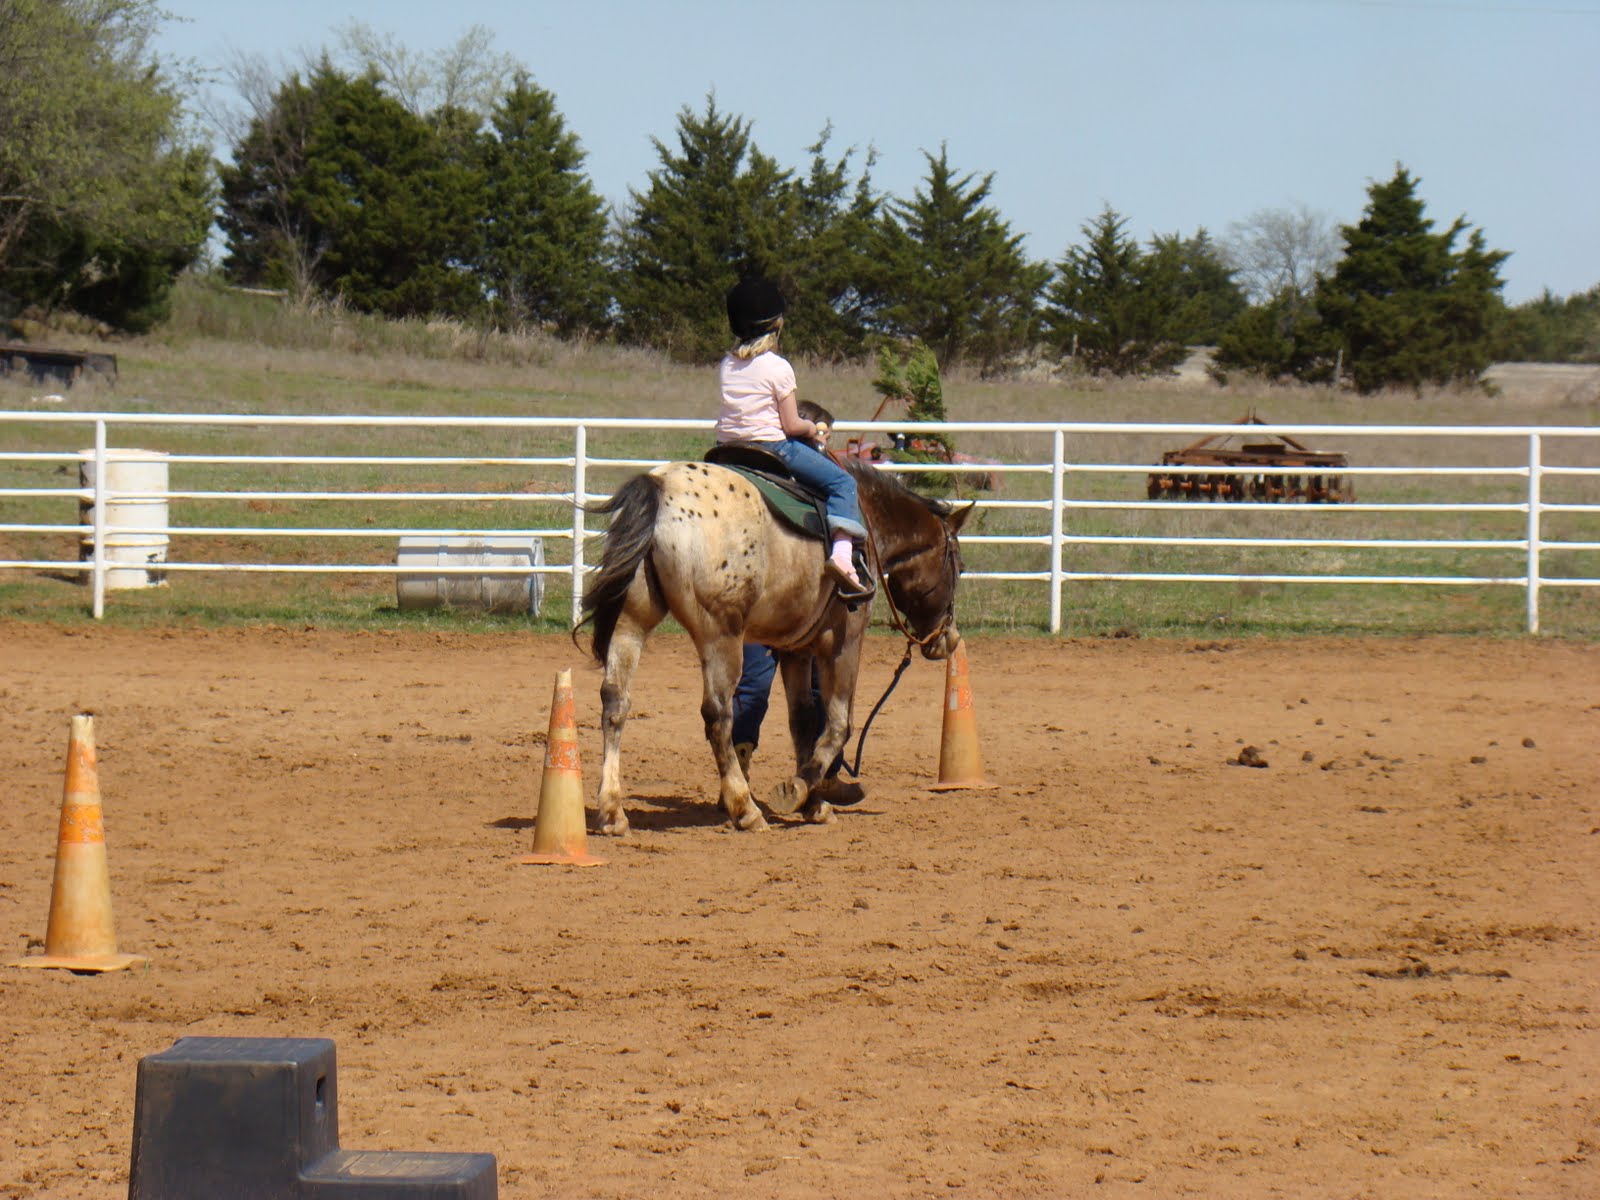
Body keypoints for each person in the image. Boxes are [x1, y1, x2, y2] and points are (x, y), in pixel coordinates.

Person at [716, 276, 870, 598]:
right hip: (772, 448)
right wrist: (813, 428)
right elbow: (790, 425)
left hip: (727, 450)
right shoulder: (778, 367)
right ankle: (843, 559)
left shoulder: (727, 364)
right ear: (776, 325)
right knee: (843, 484)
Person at [732, 399, 851, 779]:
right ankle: (744, 763)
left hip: (776, 601)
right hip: (794, 603)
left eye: (828, 436)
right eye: (822, 434)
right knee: (761, 687)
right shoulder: (808, 479)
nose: (824, 442)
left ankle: (810, 769)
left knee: (760, 686)